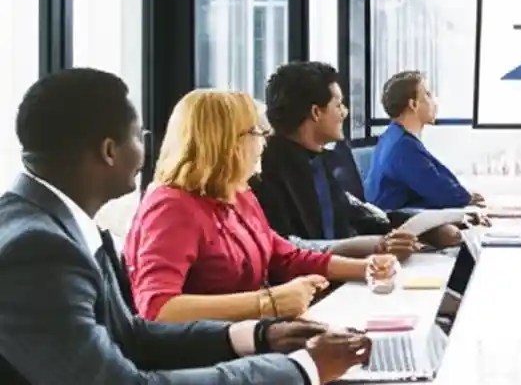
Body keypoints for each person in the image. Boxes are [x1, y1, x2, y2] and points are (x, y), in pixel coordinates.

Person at [0, 69, 371, 384]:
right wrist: (299, 369)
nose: (146, 147)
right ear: (109, 151)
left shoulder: (60, 225)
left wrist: (259, 335)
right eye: (138, 133)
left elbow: (131, 335)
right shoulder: (38, 248)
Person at [125, 90, 390, 324]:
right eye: (256, 133)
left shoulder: (239, 195)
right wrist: (267, 303)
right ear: (223, 141)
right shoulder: (171, 207)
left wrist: (366, 268)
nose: (263, 143)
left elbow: (285, 256)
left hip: (249, 339)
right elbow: (157, 309)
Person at [253, 62, 462, 252]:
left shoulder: (319, 160)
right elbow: (288, 248)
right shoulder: (267, 173)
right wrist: (373, 247)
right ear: (316, 112)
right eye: (338, 105)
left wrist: (431, 230)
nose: (344, 112)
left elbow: (365, 215)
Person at [364, 71, 484, 211]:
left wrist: (465, 196)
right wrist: (467, 198)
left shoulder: (392, 136)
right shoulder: (403, 147)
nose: (434, 100)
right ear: (413, 104)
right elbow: (442, 192)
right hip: (397, 222)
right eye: (427, 94)